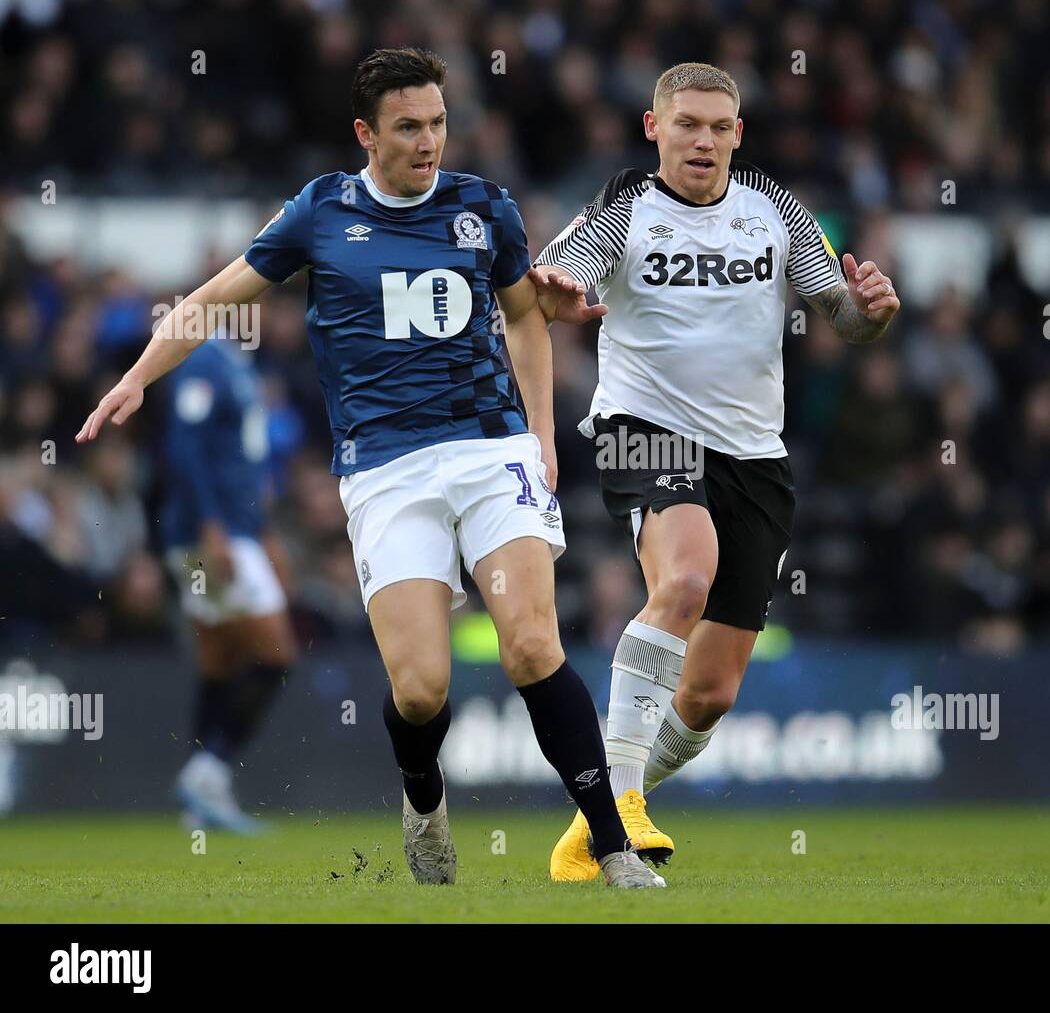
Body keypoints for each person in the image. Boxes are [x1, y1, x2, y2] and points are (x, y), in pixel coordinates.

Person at [78, 46, 663, 889]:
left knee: (533, 644)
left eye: (438, 123)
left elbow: (526, 317)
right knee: (421, 690)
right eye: (409, 128)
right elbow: (211, 301)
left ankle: (612, 845)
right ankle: (424, 804)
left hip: (490, 448)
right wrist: (136, 378)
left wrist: (538, 431)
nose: (429, 143)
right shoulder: (322, 213)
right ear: (366, 132)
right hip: (386, 471)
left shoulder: (483, 207)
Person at [532, 63, 901, 880]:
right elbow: (555, 281)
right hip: (644, 430)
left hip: (754, 457)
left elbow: (840, 315)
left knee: (709, 696)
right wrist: (556, 293)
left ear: (738, 134)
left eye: (719, 126)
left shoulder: (774, 210)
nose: (704, 139)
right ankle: (617, 814)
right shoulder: (626, 206)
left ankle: (600, 809)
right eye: (687, 123)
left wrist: (867, 313)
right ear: (652, 128)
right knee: (687, 578)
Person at [160, 335, 297, 834]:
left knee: (219, 663)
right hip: (212, 536)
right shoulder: (203, 359)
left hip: (238, 531)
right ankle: (207, 770)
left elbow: (239, 464)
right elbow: (185, 445)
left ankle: (198, 809)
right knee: (277, 656)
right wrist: (213, 525)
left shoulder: (241, 365)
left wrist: (263, 531)